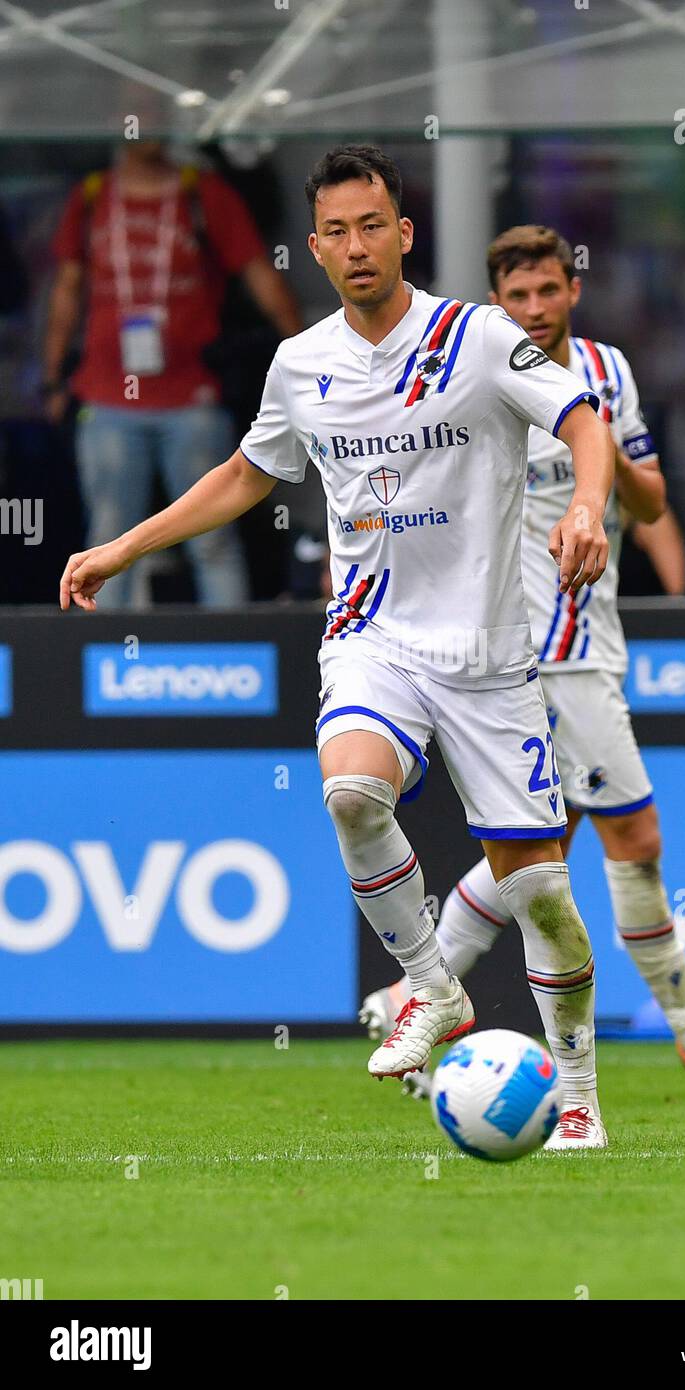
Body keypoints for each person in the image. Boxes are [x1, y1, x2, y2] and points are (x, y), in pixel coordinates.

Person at [61, 145, 616, 1150]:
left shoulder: (480, 337)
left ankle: (576, 1095)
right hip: (373, 638)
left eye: (373, 226)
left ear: (402, 234)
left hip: (490, 661)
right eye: (337, 231)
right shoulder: (301, 362)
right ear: (313, 247)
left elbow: (583, 422)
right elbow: (244, 472)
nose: (356, 246)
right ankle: (432, 988)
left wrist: (584, 505)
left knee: (541, 893)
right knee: (351, 792)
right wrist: (122, 545)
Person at [360, 224, 685, 1105]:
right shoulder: (475, 375)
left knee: (541, 849)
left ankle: (413, 992)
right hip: (541, 657)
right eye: (516, 297)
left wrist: (605, 492)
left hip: (593, 640)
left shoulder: (608, 373)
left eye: (547, 292)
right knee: (631, 836)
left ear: (571, 290)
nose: (534, 309)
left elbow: (655, 496)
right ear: (496, 302)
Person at [45, 139, 301, 607]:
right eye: (133, 112)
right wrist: (53, 377)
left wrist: (308, 349)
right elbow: (67, 287)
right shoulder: (92, 195)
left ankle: (229, 661)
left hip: (191, 395)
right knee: (109, 537)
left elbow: (258, 273)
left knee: (214, 538)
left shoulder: (201, 192)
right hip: (107, 396)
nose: (144, 126)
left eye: (154, 112)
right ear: (112, 125)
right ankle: (102, 663)